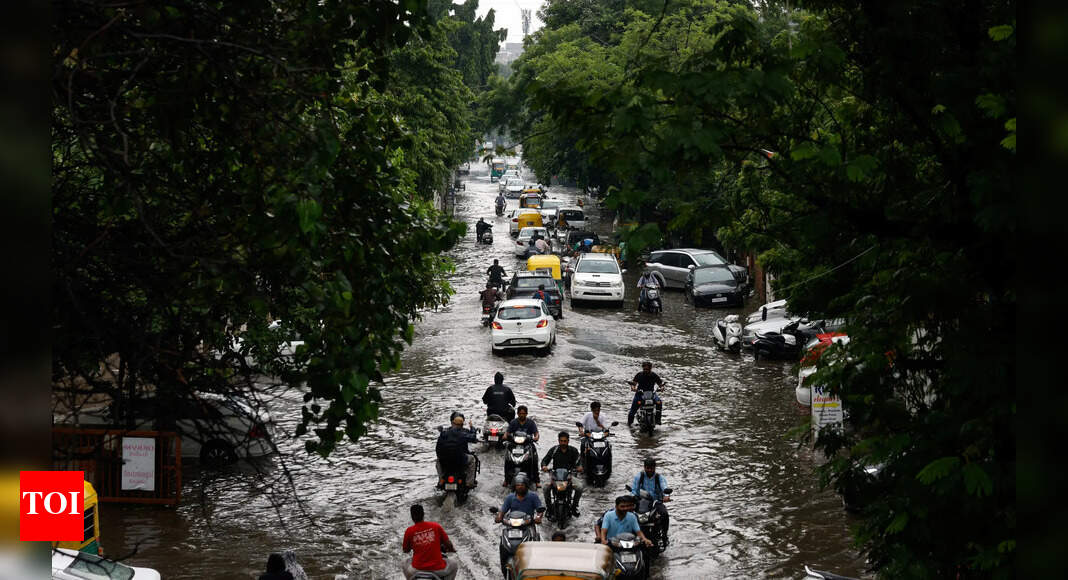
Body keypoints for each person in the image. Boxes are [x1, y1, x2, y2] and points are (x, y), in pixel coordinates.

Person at [402, 504, 458, 580]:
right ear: (423, 514)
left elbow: (406, 550)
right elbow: (448, 544)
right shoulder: (436, 526)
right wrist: (452, 549)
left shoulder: (409, 531)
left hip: (417, 569)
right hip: (438, 569)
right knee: (454, 564)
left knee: (404, 562)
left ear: (412, 516)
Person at [540, 431, 584, 516]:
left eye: (565, 441)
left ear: (568, 441)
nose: (563, 443)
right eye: (561, 441)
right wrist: (544, 466)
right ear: (558, 441)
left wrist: (579, 467)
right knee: (545, 488)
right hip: (555, 476)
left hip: (569, 476)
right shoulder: (554, 450)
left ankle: (574, 507)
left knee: (579, 487)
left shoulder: (573, 450)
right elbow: (545, 460)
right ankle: (549, 508)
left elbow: (579, 461)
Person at [435, 412, 479, 488]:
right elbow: (473, 437)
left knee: (438, 461)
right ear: (462, 425)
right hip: (460, 461)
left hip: (445, 461)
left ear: (452, 423)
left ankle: (441, 480)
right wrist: (472, 428)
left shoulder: (444, 433)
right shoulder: (463, 433)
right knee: (472, 459)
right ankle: (469, 483)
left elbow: (437, 449)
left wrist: (442, 458)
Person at [632, 458, 671, 539]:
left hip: (656, 502)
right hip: (642, 502)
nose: (649, 470)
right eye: (647, 468)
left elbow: (664, 487)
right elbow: (634, 490)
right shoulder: (639, 476)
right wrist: (632, 498)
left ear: (655, 467)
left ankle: (664, 534)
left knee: (664, 514)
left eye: (651, 468)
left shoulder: (659, 478)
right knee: (630, 513)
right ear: (644, 467)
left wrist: (666, 496)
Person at [506, 405, 540, 485]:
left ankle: (536, 479)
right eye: (520, 413)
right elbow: (508, 432)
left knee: (534, 458)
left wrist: (536, 437)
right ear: (517, 414)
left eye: (524, 413)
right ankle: (506, 479)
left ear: (526, 414)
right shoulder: (513, 422)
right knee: (507, 459)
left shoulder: (531, 423)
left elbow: (536, 433)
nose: (522, 415)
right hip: (514, 444)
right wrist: (506, 436)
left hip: (527, 444)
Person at [627, 361, 665, 426]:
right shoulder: (639, 375)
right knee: (633, 410)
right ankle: (630, 424)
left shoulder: (654, 375)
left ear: (650, 369)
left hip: (651, 393)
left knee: (659, 402)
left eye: (647, 369)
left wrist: (662, 388)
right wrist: (633, 388)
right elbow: (634, 383)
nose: (646, 370)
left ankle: (658, 419)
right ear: (642, 368)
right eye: (644, 369)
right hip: (640, 393)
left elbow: (660, 384)